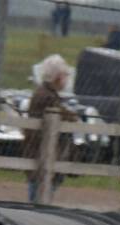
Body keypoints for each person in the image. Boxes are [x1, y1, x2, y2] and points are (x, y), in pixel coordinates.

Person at [23, 54, 76, 203]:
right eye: (64, 75)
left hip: (41, 153)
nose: (66, 79)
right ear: (57, 77)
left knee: (40, 194)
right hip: (41, 154)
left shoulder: (47, 93)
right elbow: (63, 114)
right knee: (39, 198)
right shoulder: (46, 97)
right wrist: (72, 115)